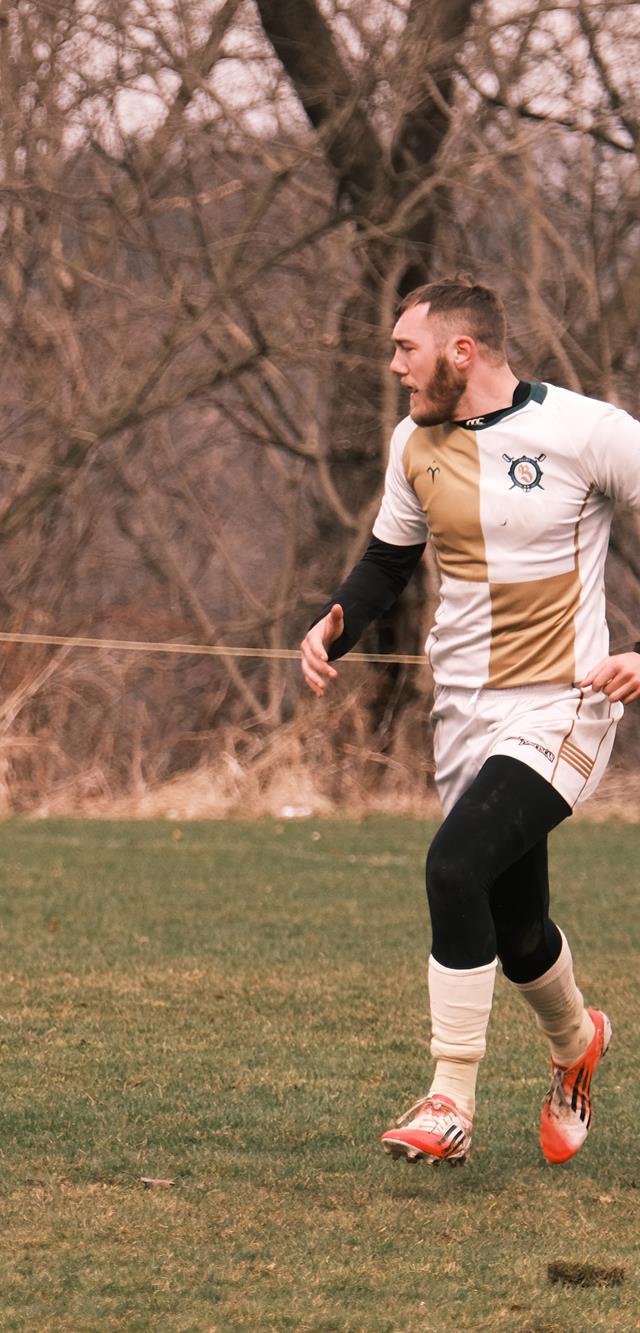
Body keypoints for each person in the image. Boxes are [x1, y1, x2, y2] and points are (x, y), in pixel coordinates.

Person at [300, 278, 640, 1166]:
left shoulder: (587, 432)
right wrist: (338, 621)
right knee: (517, 928)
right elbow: (389, 556)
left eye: (406, 350)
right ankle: (577, 1044)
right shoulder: (413, 443)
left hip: (564, 705)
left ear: (461, 352)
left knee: (453, 867)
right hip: (465, 711)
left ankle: (449, 1097)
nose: (394, 368)